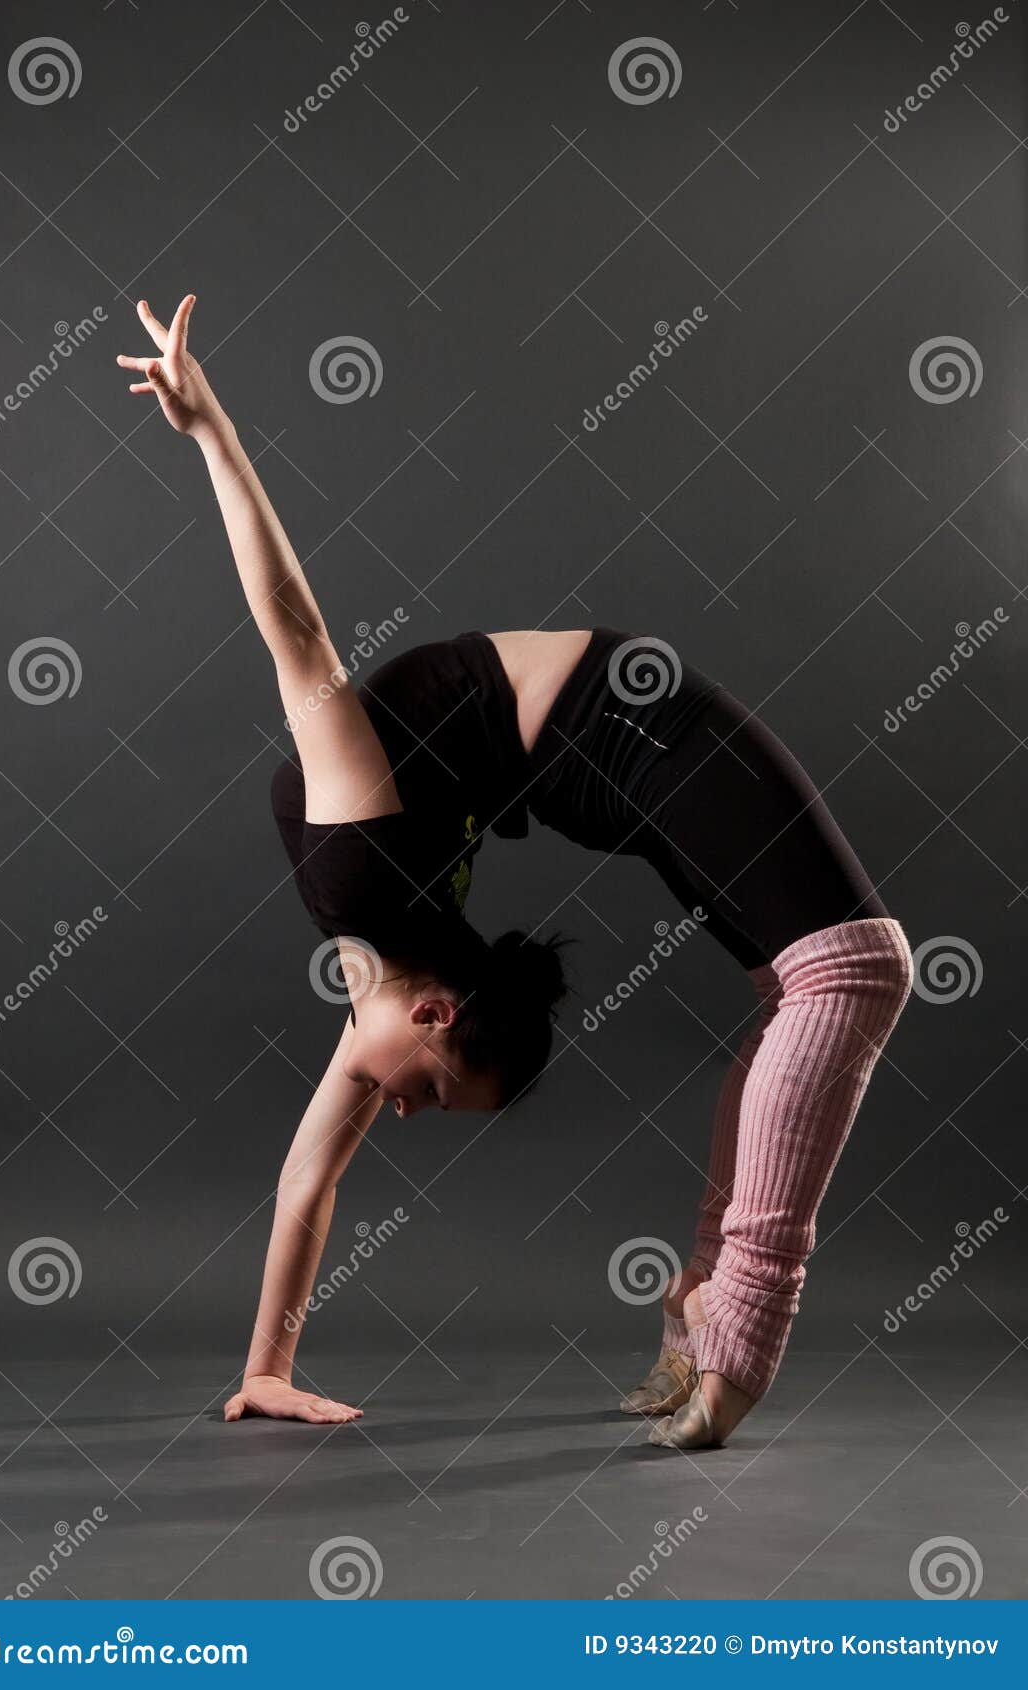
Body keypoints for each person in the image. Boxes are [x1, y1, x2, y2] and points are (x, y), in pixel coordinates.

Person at [117, 297, 913, 1450]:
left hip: (631, 725)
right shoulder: (381, 962)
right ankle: (702, 1312)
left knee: (848, 974)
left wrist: (212, 436)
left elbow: (296, 636)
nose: (399, 1106)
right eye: (430, 1093)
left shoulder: (360, 872)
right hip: (614, 766)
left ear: (434, 1009)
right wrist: (267, 1371)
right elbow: (308, 1184)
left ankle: (736, 1326)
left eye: (423, 1094)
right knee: (825, 983)